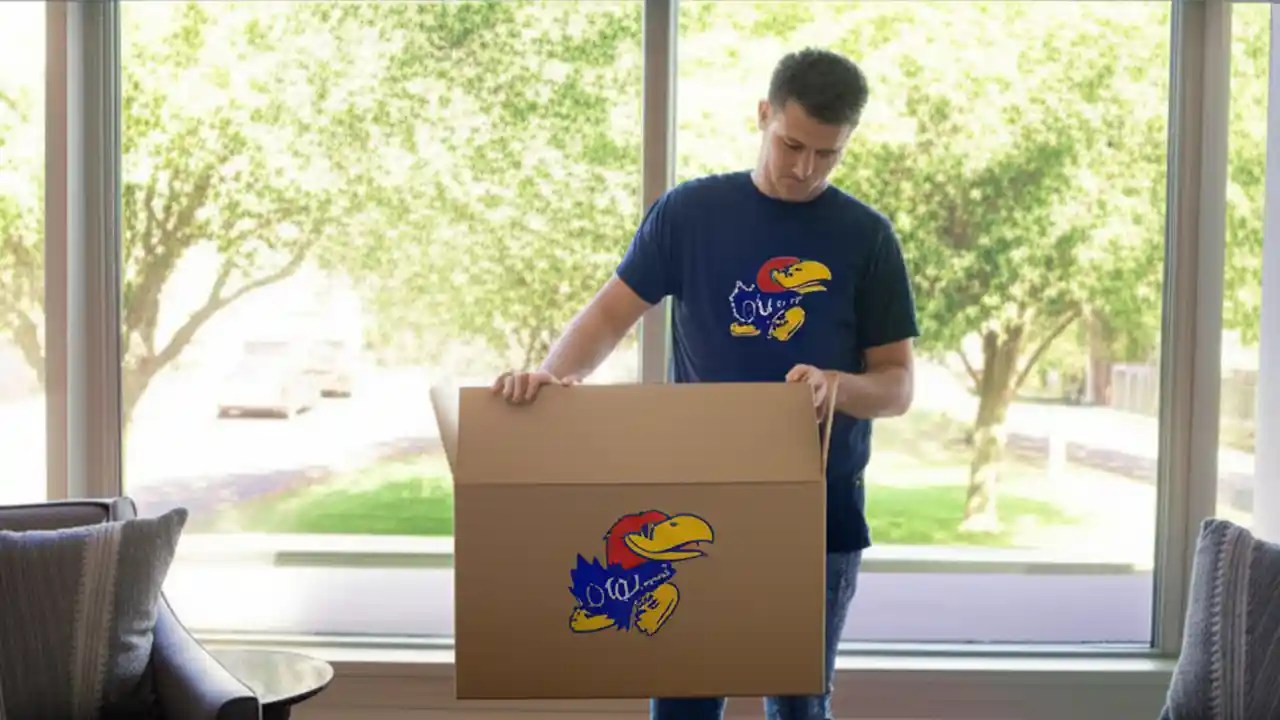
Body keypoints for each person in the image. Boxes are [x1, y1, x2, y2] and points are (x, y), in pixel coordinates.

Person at [492, 47, 919, 720]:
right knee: (684, 705)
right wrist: (550, 378)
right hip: (693, 511)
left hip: (819, 518)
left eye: (828, 154)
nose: (805, 168)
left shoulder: (868, 238)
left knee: (800, 711)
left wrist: (838, 384)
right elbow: (608, 316)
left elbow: (896, 385)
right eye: (792, 144)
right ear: (762, 116)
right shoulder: (689, 213)